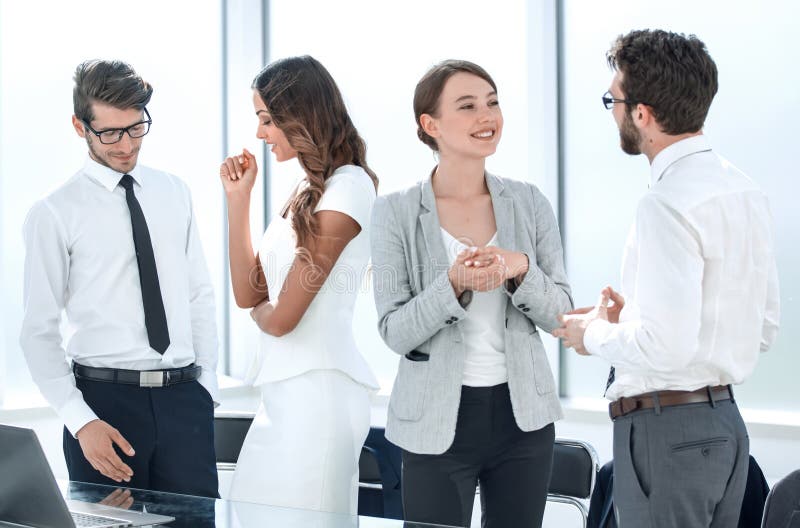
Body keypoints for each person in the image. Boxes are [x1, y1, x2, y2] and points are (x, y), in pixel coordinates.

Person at [554, 29, 780, 527]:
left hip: (668, 433)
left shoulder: (665, 203)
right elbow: (761, 328)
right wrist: (631, 318)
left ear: (642, 113)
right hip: (725, 427)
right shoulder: (745, 191)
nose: (612, 112)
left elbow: (667, 347)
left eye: (612, 101)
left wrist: (592, 333)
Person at [370, 59, 572, 528]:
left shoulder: (530, 202)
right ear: (431, 124)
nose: (487, 116)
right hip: (434, 420)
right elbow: (394, 330)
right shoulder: (395, 211)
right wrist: (453, 285)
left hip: (523, 420)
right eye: (467, 106)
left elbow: (562, 314)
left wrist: (521, 268)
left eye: (492, 102)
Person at [20, 59, 220, 497]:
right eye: (110, 133)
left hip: (184, 401)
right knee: (112, 524)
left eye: (136, 127)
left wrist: (206, 388)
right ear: (80, 127)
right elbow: (38, 330)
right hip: (104, 407)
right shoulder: (54, 212)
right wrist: (81, 421)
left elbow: (199, 295)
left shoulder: (175, 192)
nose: (127, 145)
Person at [220, 55, 379, 514]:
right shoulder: (307, 191)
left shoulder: (349, 189)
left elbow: (282, 318)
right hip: (285, 397)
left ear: (301, 115)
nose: (260, 133)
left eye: (268, 120)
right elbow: (249, 293)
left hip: (318, 401)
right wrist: (238, 200)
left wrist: (263, 311)